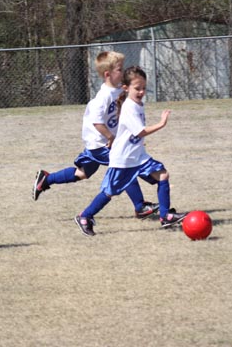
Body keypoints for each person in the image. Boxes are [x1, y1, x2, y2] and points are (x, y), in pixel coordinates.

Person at [32, 51, 158, 220]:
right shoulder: (103, 96)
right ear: (108, 74)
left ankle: (46, 180)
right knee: (124, 164)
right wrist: (112, 139)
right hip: (99, 143)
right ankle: (140, 206)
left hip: (102, 142)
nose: (123, 72)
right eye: (119, 70)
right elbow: (97, 122)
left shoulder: (121, 90)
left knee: (82, 173)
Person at [74, 66, 187, 236]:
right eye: (137, 88)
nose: (141, 92)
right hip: (124, 159)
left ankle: (166, 216)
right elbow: (140, 131)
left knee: (163, 175)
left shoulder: (138, 104)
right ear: (126, 88)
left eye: (143, 88)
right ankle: (85, 216)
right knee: (109, 192)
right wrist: (161, 123)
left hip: (138, 156)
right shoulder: (129, 107)